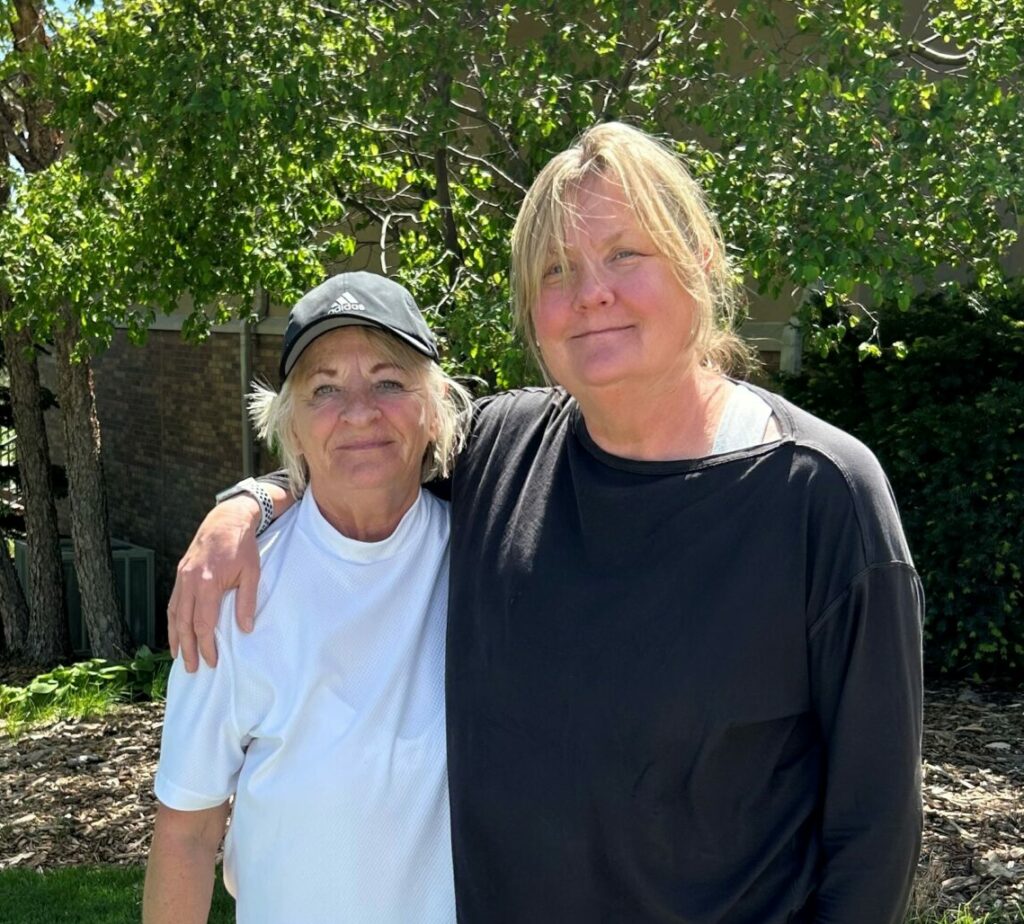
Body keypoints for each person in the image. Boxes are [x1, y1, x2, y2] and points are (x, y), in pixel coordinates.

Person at [168, 123, 924, 924]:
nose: (591, 292)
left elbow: (874, 834)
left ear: (700, 259)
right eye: (558, 270)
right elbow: (361, 453)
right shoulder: (503, 453)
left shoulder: (822, 496)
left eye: (625, 254)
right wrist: (248, 505)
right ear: (534, 308)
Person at [145, 272, 471, 924]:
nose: (359, 411)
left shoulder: (486, 562)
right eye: (324, 389)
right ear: (290, 427)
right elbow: (187, 834)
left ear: (435, 407)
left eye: (388, 380)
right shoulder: (232, 591)